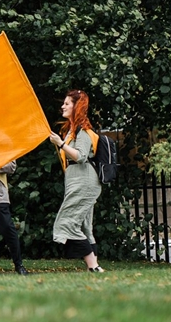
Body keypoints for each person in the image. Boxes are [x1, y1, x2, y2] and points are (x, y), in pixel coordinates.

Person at [49, 89, 105, 272]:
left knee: (67, 222)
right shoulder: (72, 131)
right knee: (85, 226)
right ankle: (93, 268)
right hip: (76, 180)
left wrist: (60, 144)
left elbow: (80, 156)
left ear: (76, 106)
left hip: (85, 182)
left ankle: (94, 266)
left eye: (67, 103)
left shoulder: (84, 132)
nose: (62, 106)